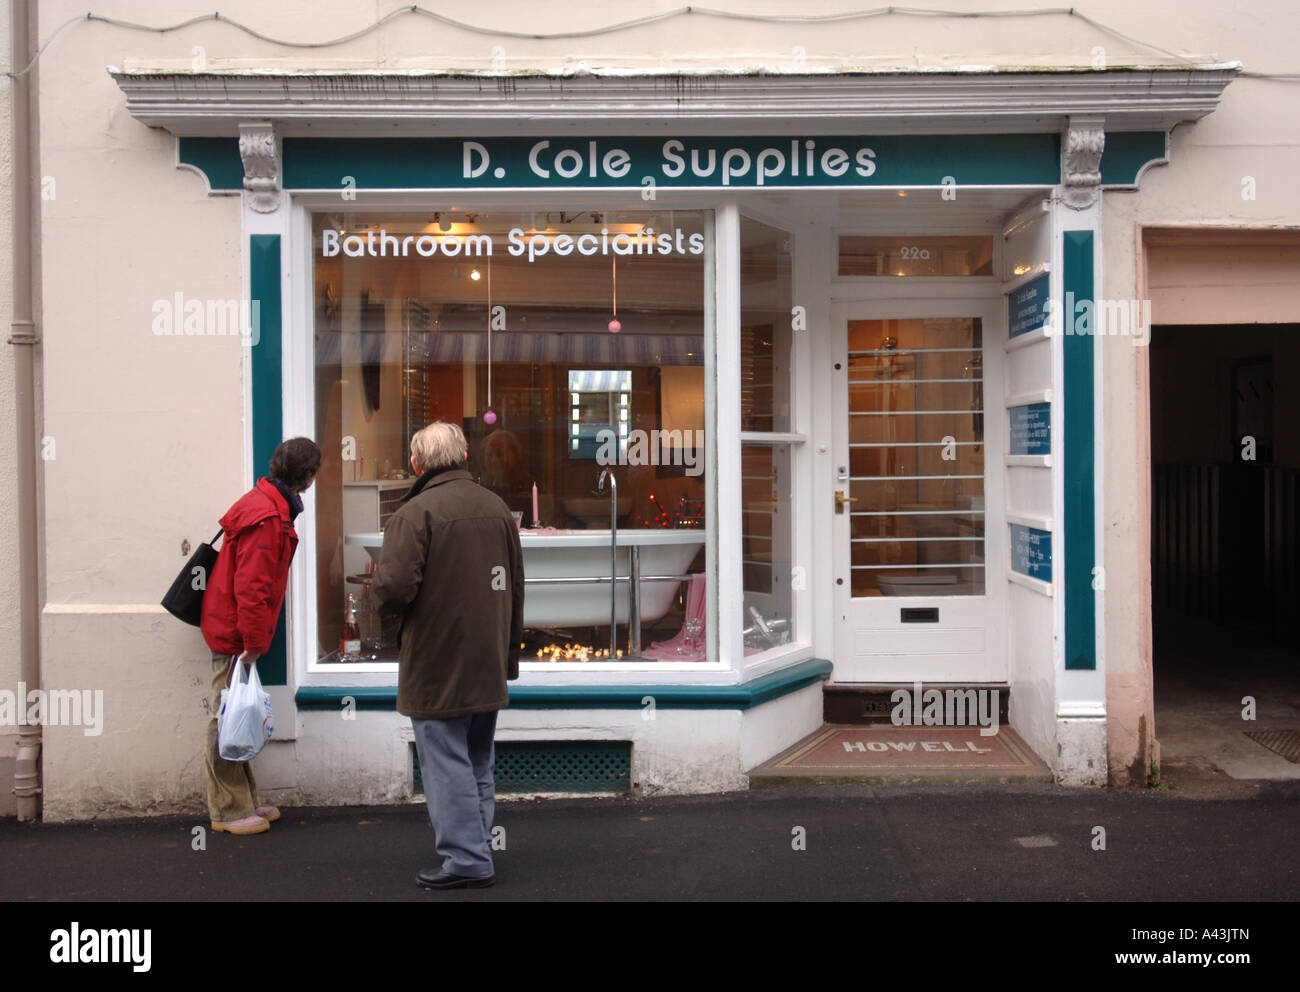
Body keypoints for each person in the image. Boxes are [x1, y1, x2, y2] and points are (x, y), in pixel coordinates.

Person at [371, 421, 525, 889]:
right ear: (461, 457)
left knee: (444, 760)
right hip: (486, 654)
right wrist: (508, 654)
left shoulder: (415, 513)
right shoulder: (496, 508)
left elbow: (393, 586)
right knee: (477, 756)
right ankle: (475, 845)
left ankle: (467, 858)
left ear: (417, 464)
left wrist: (383, 627)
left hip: (438, 657)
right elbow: (515, 586)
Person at [200, 437, 321, 836]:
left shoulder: (266, 504)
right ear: (306, 476)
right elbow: (251, 587)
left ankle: (244, 801)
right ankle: (228, 810)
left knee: (237, 714)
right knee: (226, 717)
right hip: (235, 631)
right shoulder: (268, 517)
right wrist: (253, 643)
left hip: (232, 625)